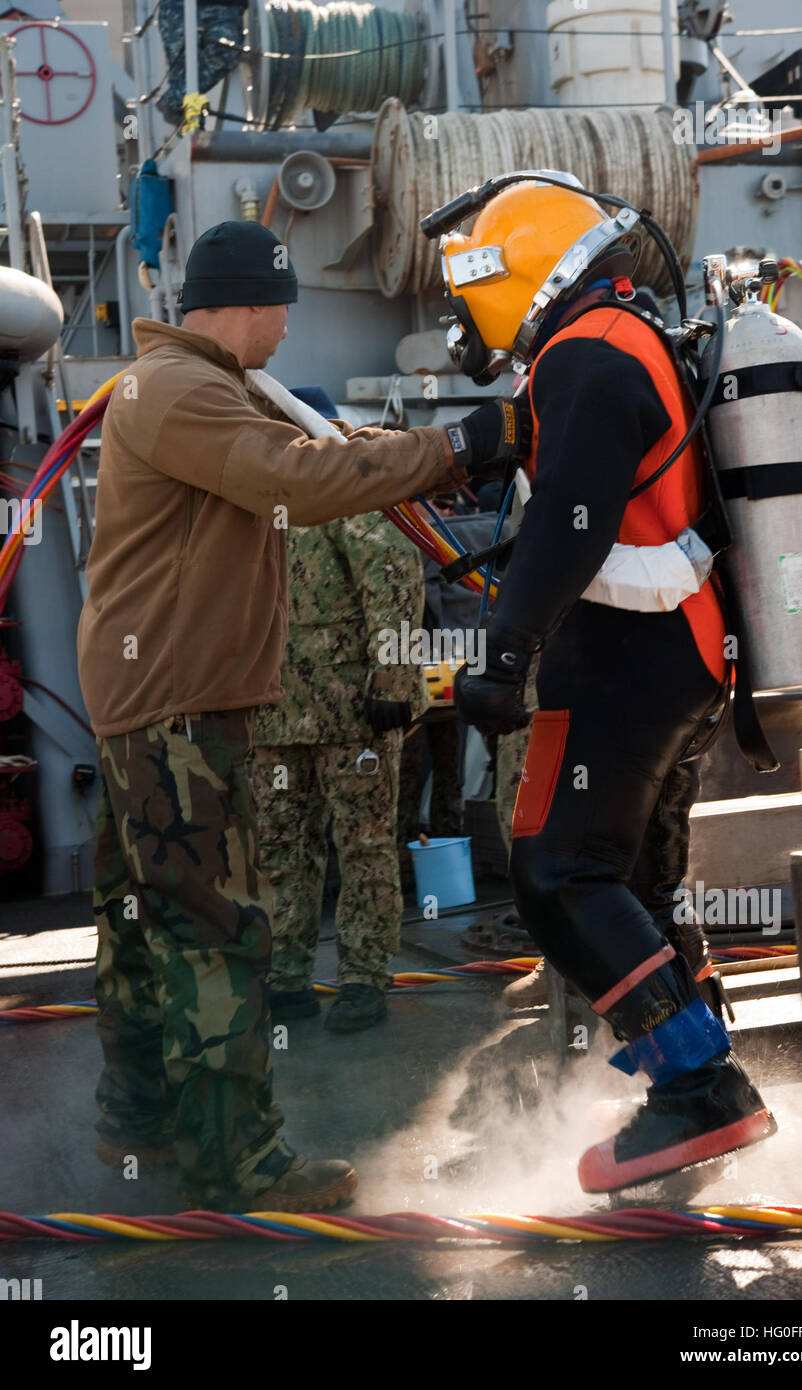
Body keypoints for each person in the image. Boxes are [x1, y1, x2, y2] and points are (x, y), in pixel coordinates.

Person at [78, 219, 531, 1212]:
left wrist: (443, 454)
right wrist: (458, 443)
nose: (287, 332)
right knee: (219, 929)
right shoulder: (184, 391)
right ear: (247, 305)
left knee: (143, 921)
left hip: (154, 705)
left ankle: (144, 1121)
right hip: (177, 714)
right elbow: (297, 478)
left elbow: (324, 446)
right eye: (282, 312)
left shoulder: (200, 387)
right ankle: (236, 1162)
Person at [448, 177, 775, 1192]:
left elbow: (573, 524)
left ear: (518, 275)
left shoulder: (584, 352)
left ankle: (699, 1089)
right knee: (636, 879)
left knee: (556, 872)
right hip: (680, 649)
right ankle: (698, 1069)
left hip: (628, 654)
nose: (464, 313)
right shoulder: (618, 338)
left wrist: (502, 656)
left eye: (470, 289)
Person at [253, 500, 428, 1033]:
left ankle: (363, 977)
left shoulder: (336, 476)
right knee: (280, 847)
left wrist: (394, 677)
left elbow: (392, 568)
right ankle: (285, 977)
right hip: (273, 709)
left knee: (366, 846)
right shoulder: (244, 482)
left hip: (351, 708)